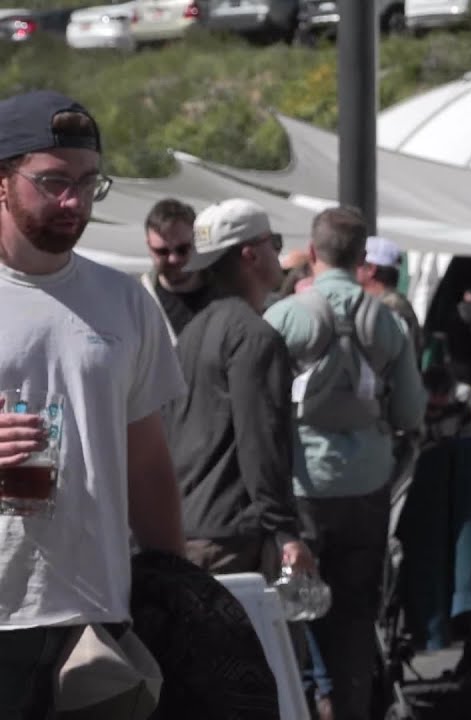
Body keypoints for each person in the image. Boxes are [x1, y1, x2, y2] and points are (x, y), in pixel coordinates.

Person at [0, 90, 186, 717]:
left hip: (94, 614)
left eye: (87, 182)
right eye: (52, 182)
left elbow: (147, 461)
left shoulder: (124, 300)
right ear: (1, 181)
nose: (73, 202)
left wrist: (177, 589)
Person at [264, 207, 427, 720]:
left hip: (302, 487)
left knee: (293, 613)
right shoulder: (387, 320)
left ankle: (305, 704)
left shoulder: (284, 317)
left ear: (312, 253)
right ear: (362, 259)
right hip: (367, 486)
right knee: (355, 620)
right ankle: (346, 706)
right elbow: (408, 411)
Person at [165, 198, 314, 579]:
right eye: (274, 243)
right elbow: (262, 440)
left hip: (189, 524)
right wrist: (286, 532)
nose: (278, 254)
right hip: (232, 537)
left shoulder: (193, 332)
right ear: (250, 255)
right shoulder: (253, 336)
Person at [139, 197, 213, 343]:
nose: (173, 259)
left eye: (182, 249)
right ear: (148, 246)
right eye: (162, 251)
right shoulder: (138, 299)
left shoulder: (228, 292)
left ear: (196, 240)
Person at [358, 235, 425, 366]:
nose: (352, 267)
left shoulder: (390, 307)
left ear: (371, 269)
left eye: (358, 262)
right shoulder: (390, 303)